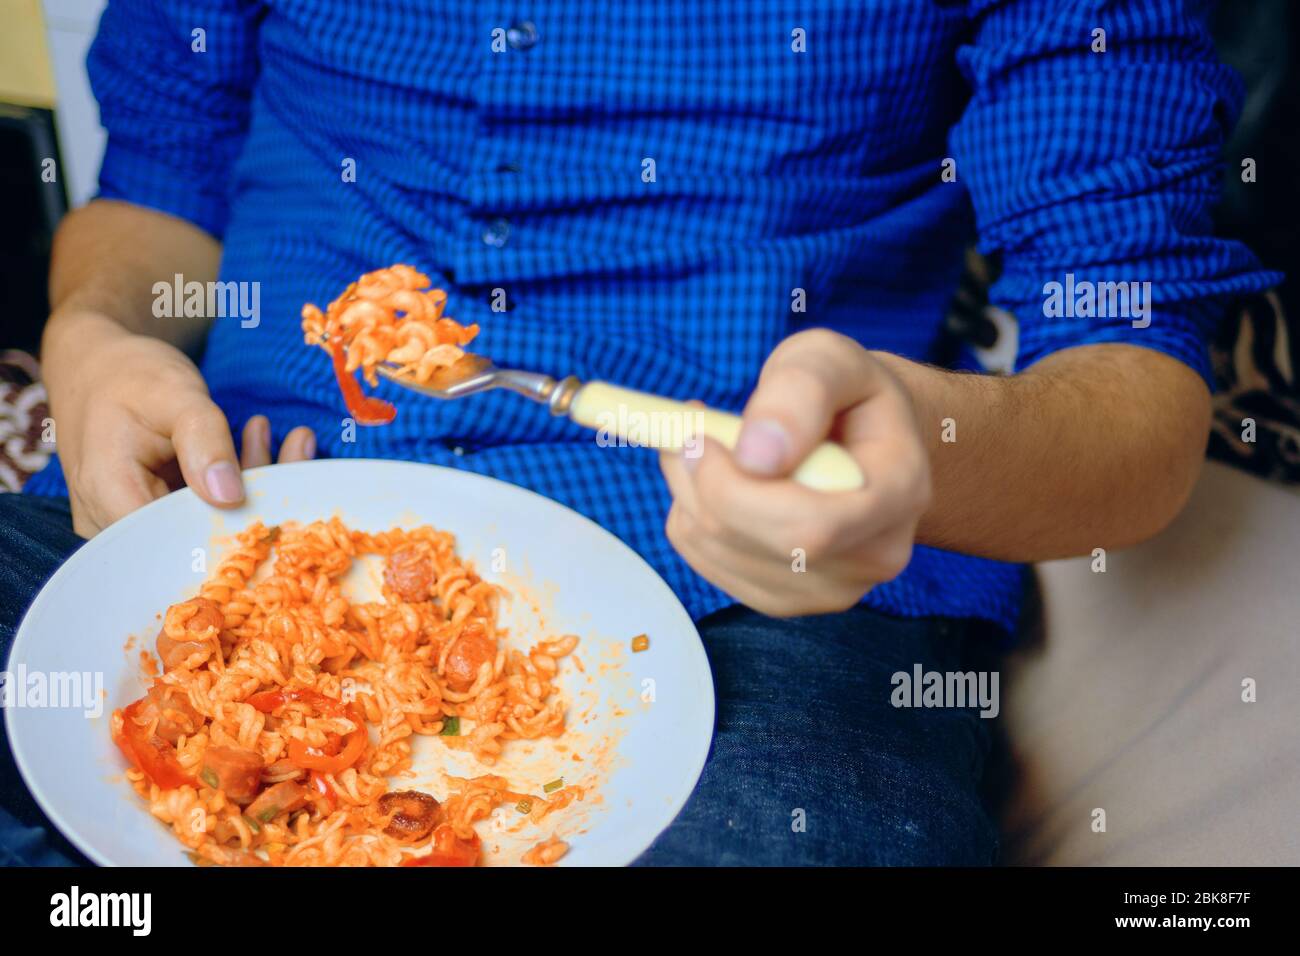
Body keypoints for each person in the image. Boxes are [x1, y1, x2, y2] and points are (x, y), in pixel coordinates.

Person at [0, 0, 1280, 866]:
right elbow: (157, 183)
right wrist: (96, 336)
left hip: (750, 597)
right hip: (220, 493)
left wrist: (918, 447)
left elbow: (1131, 357)